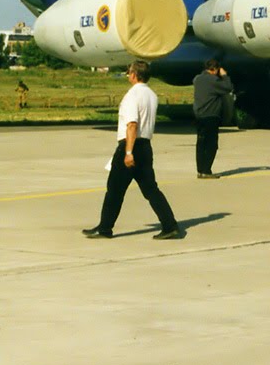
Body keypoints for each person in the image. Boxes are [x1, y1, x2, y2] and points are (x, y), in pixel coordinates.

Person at [83, 60, 181, 240]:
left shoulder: (132, 96)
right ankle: (170, 225)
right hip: (145, 146)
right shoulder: (151, 95)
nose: (128, 75)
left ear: (134, 75)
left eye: (129, 72)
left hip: (130, 145)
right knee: (151, 189)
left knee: (114, 190)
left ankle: (105, 228)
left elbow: (132, 125)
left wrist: (128, 152)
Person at [192, 59, 233, 179]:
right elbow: (228, 87)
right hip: (211, 115)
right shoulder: (213, 80)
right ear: (214, 69)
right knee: (211, 144)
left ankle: (200, 170)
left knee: (201, 143)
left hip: (199, 115)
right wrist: (224, 76)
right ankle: (206, 170)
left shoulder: (197, 79)